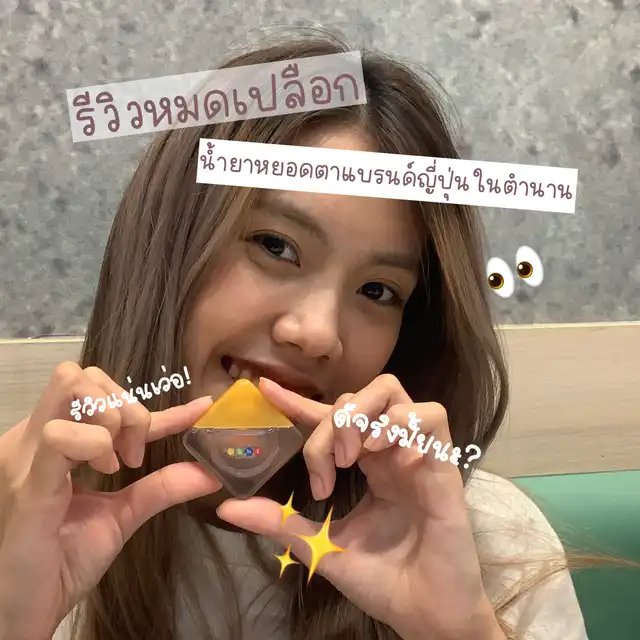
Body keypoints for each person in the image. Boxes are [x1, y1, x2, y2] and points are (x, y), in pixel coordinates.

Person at [0, 33, 588, 640]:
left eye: (378, 290)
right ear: (167, 248)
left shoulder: (486, 542)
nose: (317, 333)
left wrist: (456, 630)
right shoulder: (32, 525)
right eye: (275, 246)